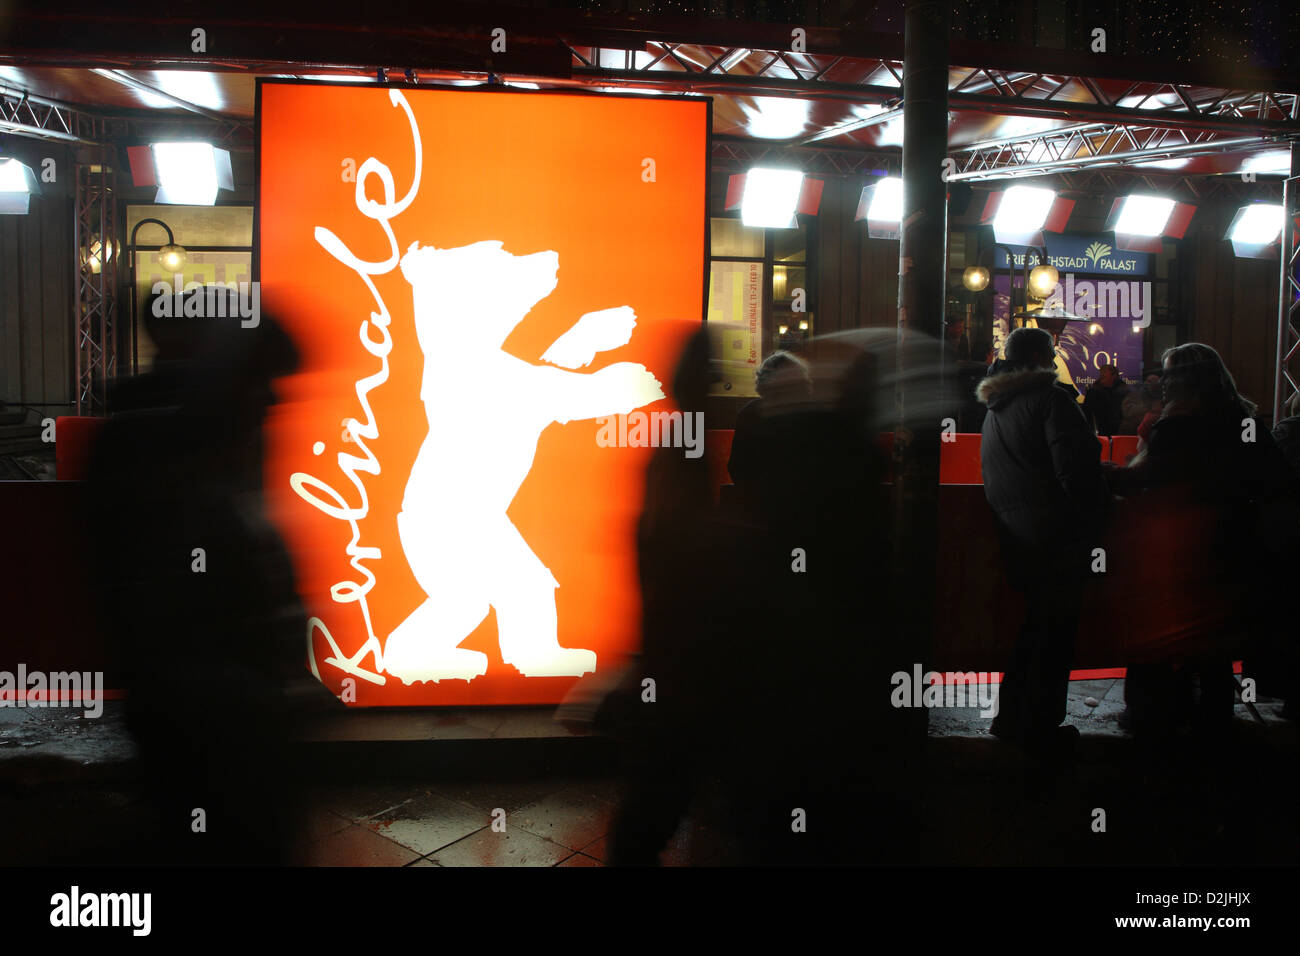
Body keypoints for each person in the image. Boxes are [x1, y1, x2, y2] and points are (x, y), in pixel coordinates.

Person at [1106, 343, 1296, 738]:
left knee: (1164, 636)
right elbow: (1272, 478)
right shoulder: (1242, 420)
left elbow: (1152, 477)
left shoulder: (1179, 424)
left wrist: (1106, 474)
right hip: (1232, 542)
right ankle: (1212, 718)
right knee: (1213, 639)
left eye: (1170, 373)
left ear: (1186, 379)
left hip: (1179, 545)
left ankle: (1153, 714)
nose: (1164, 382)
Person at [976, 327, 1105, 759]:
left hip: (1019, 535)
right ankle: (1039, 726)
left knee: (1035, 628)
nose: (1055, 360)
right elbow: (1077, 472)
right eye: (1050, 352)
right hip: (1055, 534)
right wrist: (1094, 519)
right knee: (1053, 633)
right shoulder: (1051, 401)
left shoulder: (996, 408)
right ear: (1036, 356)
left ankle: (1013, 717)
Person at [1083, 364, 1130, 436]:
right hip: (1100, 429)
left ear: (1114, 375)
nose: (1102, 374)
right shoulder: (1094, 392)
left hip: (1119, 430)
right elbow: (1086, 412)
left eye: (1105, 371)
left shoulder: (1123, 391)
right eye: (1101, 371)